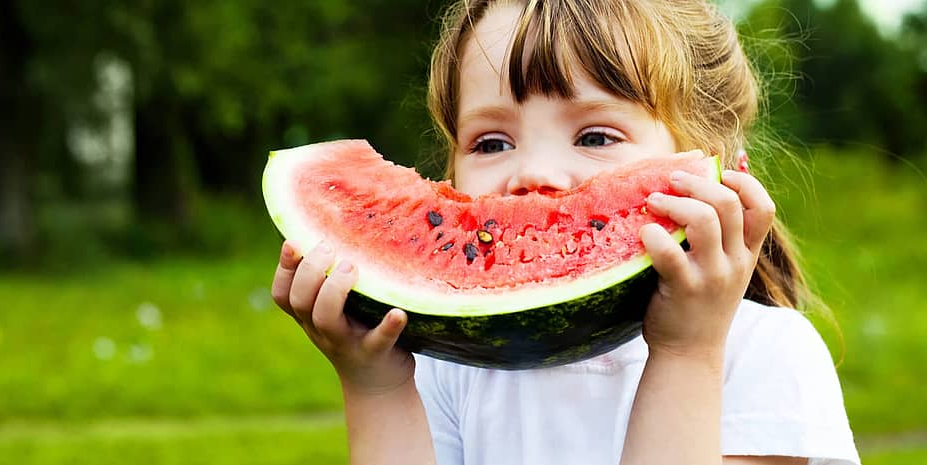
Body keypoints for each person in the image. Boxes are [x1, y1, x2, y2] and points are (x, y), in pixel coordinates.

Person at [271, 0, 861, 464]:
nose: (533, 173)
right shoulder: (450, 368)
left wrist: (689, 351)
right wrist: (377, 388)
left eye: (595, 136)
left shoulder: (766, 354)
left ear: (724, 174)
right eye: (491, 143)